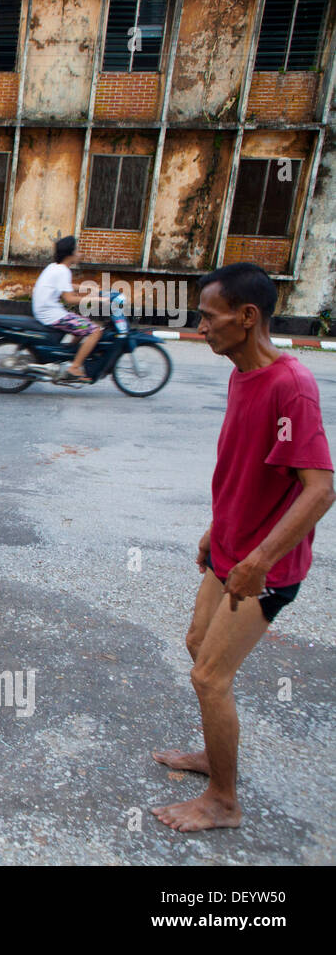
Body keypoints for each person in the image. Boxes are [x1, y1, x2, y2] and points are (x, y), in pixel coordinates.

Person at [151, 263, 333, 832]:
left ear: (246, 317)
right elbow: (245, 469)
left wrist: (260, 560)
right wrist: (217, 529)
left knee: (209, 677)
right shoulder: (240, 373)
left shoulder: (291, 385)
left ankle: (224, 802)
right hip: (230, 549)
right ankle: (215, 754)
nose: (202, 327)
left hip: (264, 568)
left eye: (209, 316)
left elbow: (321, 487)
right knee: (197, 644)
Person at [31, 235, 109, 382]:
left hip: (46, 311)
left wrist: (88, 288)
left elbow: (66, 286)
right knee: (95, 331)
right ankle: (74, 367)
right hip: (52, 314)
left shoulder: (54, 267)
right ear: (70, 254)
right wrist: (98, 300)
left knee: (83, 321)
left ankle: (68, 353)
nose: (80, 253)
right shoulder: (63, 271)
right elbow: (70, 298)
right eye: (77, 250)